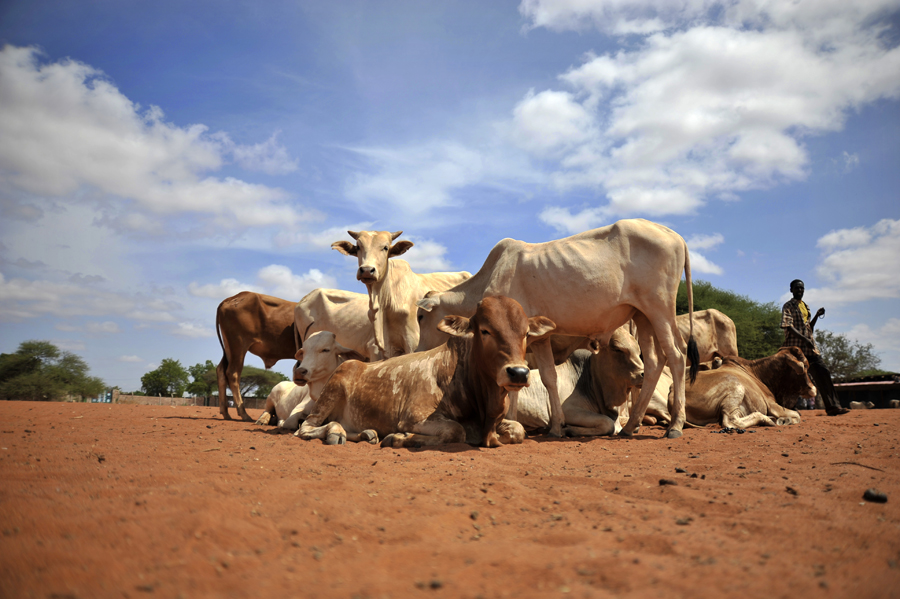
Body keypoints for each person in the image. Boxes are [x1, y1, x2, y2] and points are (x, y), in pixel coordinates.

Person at [781, 279, 849, 416]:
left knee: (823, 372)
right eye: (797, 288)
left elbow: (808, 328)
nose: (800, 290)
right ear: (791, 290)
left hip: (810, 348)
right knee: (791, 378)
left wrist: (816, 316)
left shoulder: (805, 306)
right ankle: (787, 408)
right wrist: (804, 339)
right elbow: (787, 325)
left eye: (802, 288)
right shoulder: (788, 305)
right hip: (795, 348)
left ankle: (832, 406)